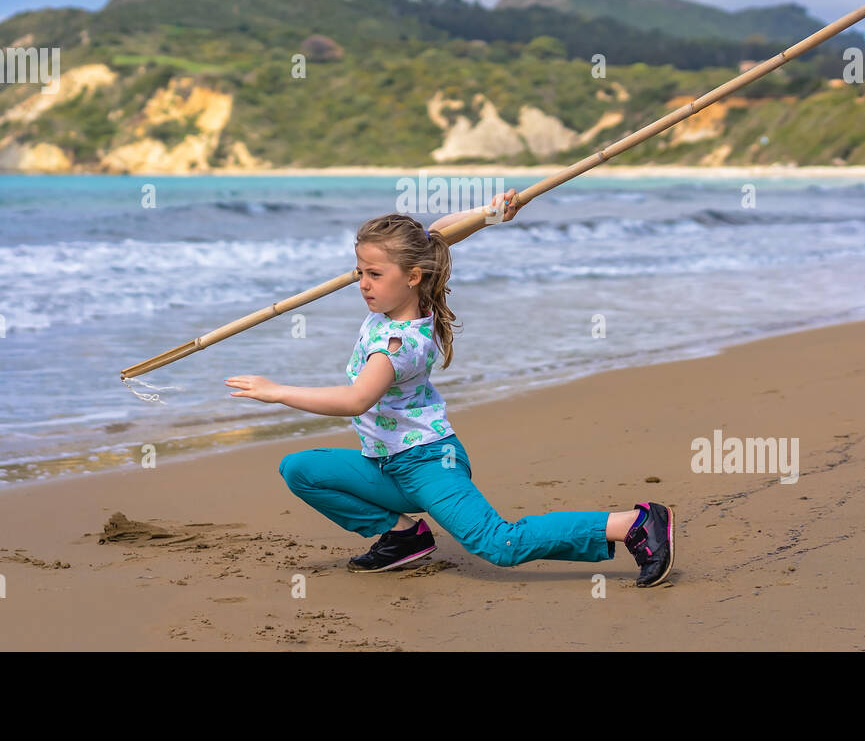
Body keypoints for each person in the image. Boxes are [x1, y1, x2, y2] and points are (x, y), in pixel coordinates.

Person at [225, 188, 675, 588]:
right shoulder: (396, 300)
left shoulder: (398, 344)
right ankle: (403, 536)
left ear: (414, 276)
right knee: (300, 469)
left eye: (374, 274)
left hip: (427, 462)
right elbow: (438, 234)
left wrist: (277, 390)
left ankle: (634, 524)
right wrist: (492, 213)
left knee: (499, 544)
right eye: (359, 271)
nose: (362, 284)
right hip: (386, 464)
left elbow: (355, 401)